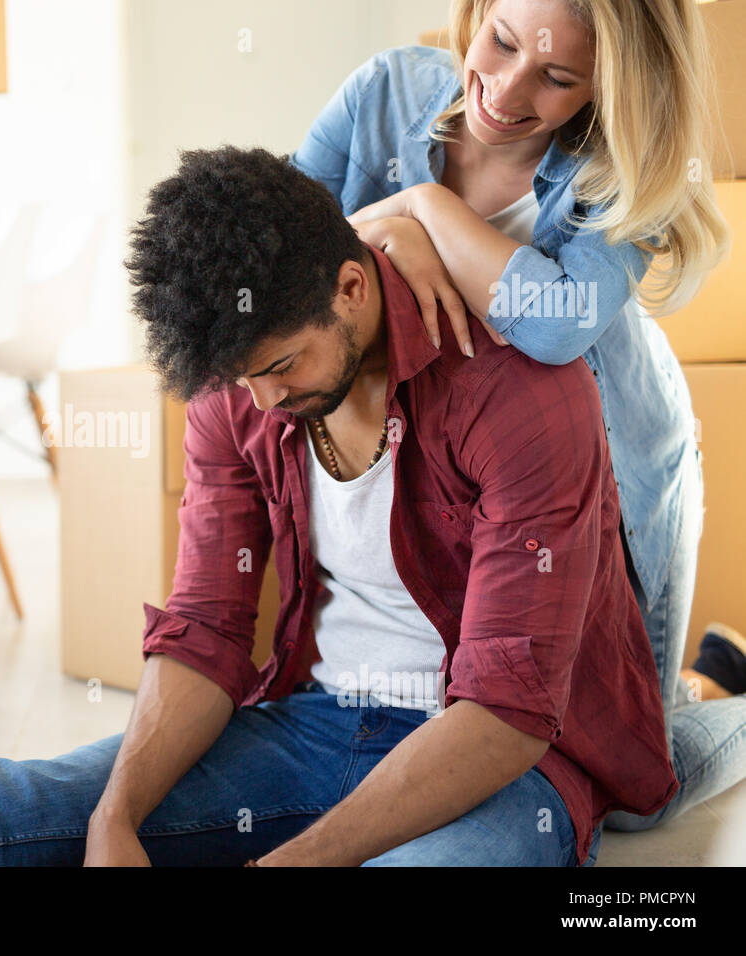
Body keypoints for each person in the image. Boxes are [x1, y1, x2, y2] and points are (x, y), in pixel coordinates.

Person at [0, 146, 675, 866]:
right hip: (313, 725)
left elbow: (508, 712)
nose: (259, 404)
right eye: (236, 381)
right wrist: (115, 815)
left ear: (351, 288)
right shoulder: (236, 391)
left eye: (279, 368)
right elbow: (209, 628)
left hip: (509, 767)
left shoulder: (518, 392)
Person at [292, 0, 746, 831]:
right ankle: (709, 672)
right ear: (478, 12)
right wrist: (390, 232)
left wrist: (427, 207)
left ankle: (734, 692)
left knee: (636, 790)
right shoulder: (382, 96)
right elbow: (285, 267)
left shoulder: (620, 170)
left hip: (616, 473)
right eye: (498, 41)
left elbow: (554, 324)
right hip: (446, 468)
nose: (503, 90)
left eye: (558, 78)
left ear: (609, 88)